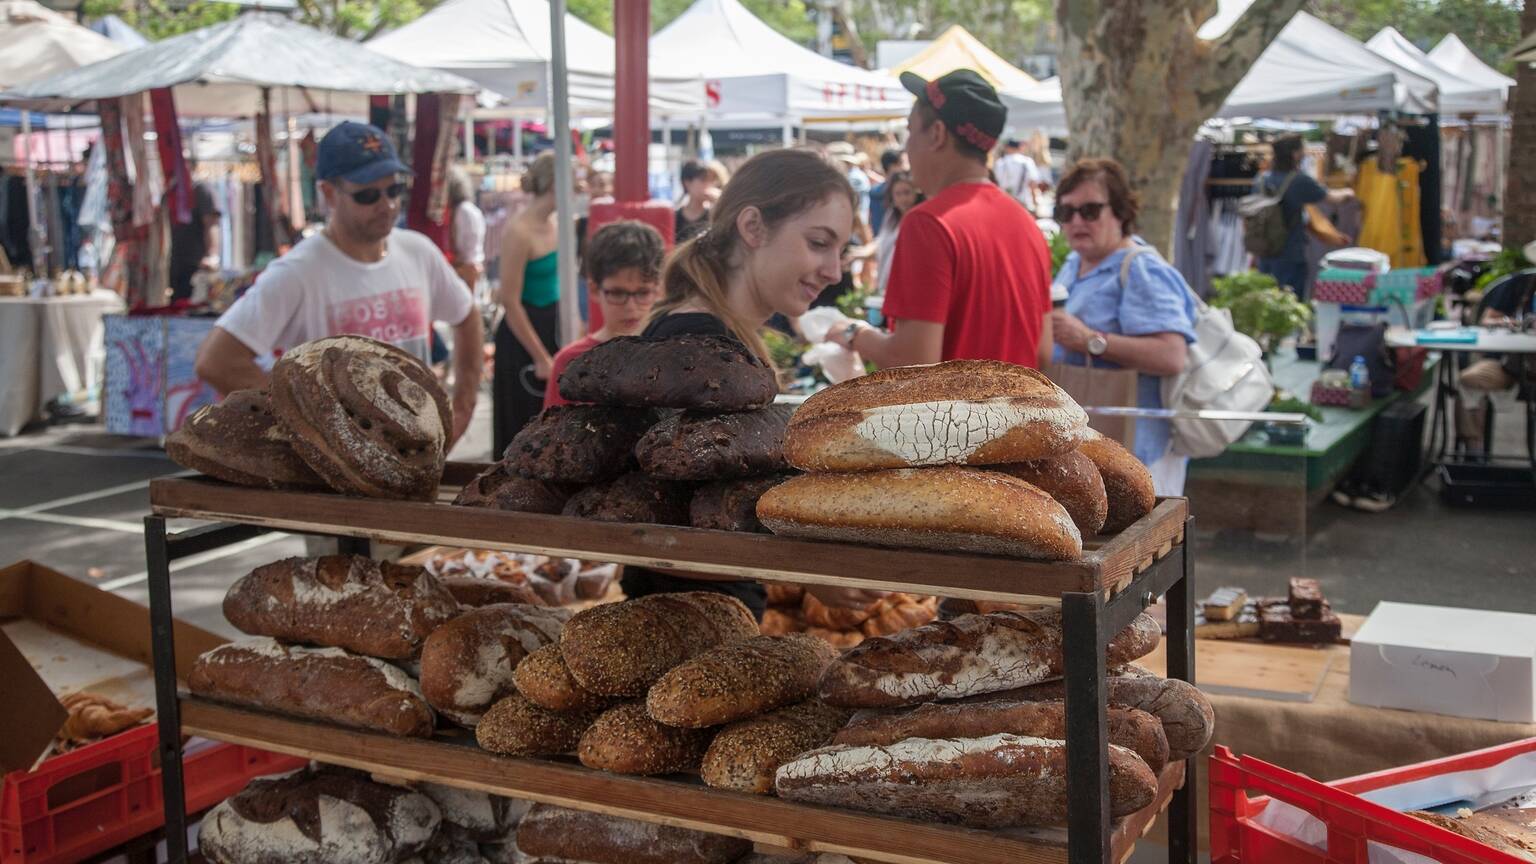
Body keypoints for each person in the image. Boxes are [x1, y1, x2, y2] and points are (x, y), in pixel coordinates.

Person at [635, 147, 857, 618]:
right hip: (679, 621)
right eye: (819, 243)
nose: (834, 271)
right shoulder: (695, 344)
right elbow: (662, 525)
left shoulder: (723, 339)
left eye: (841, 250)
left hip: (706, 617)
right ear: (753, 227)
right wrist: (802, 571)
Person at [194, 121, 481, 447]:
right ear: (329, 193)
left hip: (418, 450)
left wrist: (462, 408)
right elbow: (216, 360)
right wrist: (307, 422)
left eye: (394, 190)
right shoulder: (298, 271)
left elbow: (467, 315)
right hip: (342, 473)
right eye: (368, 194)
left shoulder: (418, 251)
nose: (386, 205)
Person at [828, 69, 1054, 371]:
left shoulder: (928, 223)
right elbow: (1042, 351)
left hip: (950, 417)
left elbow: (911, 360)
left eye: (911, 131)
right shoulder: (1026, 224)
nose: (907, 148)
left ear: (936, 134)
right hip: (1019, 414)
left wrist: (853, 333)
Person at [1049, 158, 1199, 495]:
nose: (1076, 221)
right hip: (1099, 446)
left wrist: (1090, 340)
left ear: (1119, 211)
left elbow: (1172, 355)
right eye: (1065, 212)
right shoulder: (1076, 263)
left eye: (1089, 211)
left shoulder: (1140, 268)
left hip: (1139, 451)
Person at [544, 221, 664, 408]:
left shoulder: (671, 358)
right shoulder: (570, 362)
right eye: (617, 293)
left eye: (642, 293)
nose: (631, 306)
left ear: (658, 290)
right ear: (593, 289)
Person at [492, 153, 561, 455]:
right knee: (523, 423)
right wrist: (542, 357)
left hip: (552, 325)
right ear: (554, 184)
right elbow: (510, 300)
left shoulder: (558, 224)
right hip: (524, 335)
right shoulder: (518, 232)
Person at [1254, 134, 1353, 298]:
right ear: (1295, 154)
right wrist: (1349, 191)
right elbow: (1333, 198)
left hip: (1265, 252)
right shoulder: (1299, 181)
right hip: (1290, 254)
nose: (1305, 153)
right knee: (1291, 301)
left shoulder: (1261, 179)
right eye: (1302, 149)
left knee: (1267, 301)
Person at [844, 171, 922, 296]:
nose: (903, 199)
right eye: (898, 194)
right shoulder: (892, 216)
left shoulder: (920, 221)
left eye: (907, 192)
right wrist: (858, 253)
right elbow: (881, 242)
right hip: (886, 286)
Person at [168, 174, 222, 302]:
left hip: (197, 266)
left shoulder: (201, 189)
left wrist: (212, 255)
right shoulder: (174, 190)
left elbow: (211, 224)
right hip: (178, 266)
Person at [674, 160, 721, 243]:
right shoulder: (675, 217)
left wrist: (719, 204)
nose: (708, 185)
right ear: (687, 183)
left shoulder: (713, 215)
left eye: (711, 181)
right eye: (703, 180)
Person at [992, 138, 1042, 214]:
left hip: (1003, 202)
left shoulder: (1000, 162)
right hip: (1022, 203)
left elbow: (995, 183)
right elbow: (1033, 184)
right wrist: (1035, 203)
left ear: (1007, 148)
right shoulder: (1027, 162)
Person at [867, 148, 907, 235]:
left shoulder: (874, 191)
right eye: (901, 163)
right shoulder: (896, 191)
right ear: (892, 166)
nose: (904, 167)